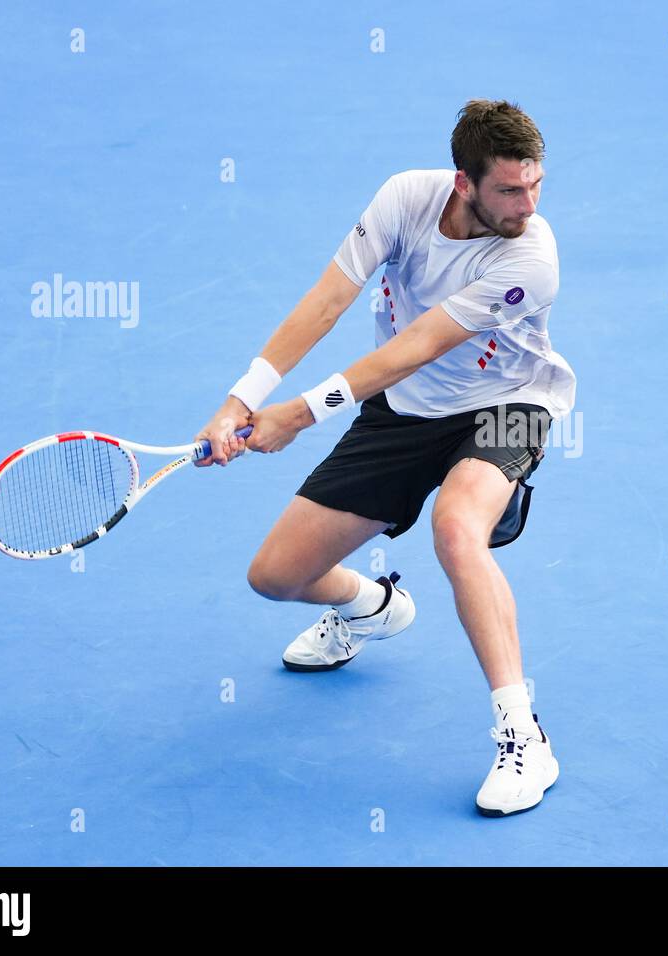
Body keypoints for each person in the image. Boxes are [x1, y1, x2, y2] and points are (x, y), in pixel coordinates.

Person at [194, 99, 576, 817]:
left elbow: (413, 347)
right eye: (509, 190)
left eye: (536, 185)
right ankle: (373, 607)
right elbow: (327, 300)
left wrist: (299, 415)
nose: (527, 204)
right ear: (464, 182)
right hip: (405, 412)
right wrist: (241, 399)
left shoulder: (531, 257)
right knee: (274, 577)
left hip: (505, 404)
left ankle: (524, 735)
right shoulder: (405, 198)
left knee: (458, 529)